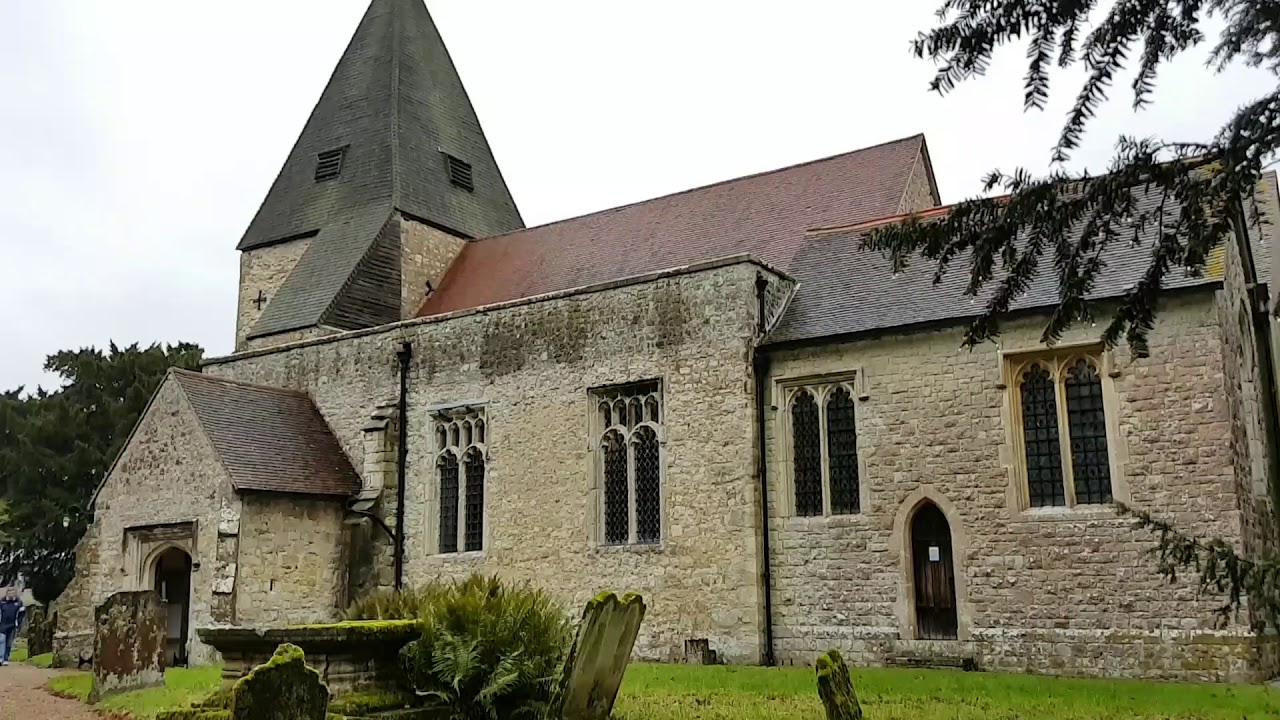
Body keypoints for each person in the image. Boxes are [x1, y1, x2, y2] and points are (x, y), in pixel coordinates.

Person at [0, 587, 25, 666]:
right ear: (7, 593)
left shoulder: (19, 602)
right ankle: (1, 658)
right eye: (10, 592)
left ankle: (6, 658)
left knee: (9, 643)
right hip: (2, 625)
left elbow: (22, 613)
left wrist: (19, 623)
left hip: (12, 625)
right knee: (1, 640)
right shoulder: (2, 602)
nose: (11, 594)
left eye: (13, 592)